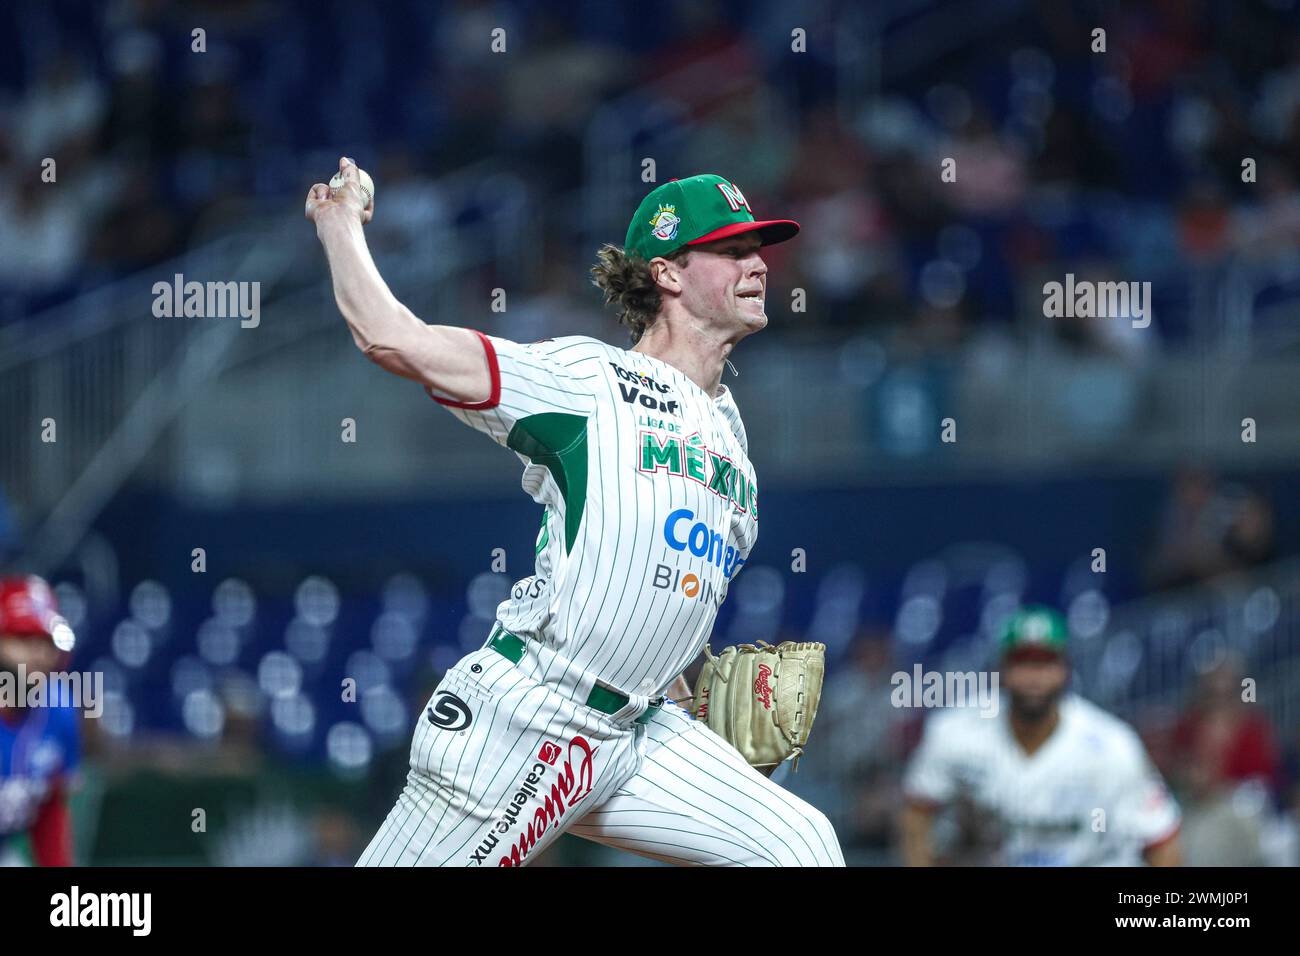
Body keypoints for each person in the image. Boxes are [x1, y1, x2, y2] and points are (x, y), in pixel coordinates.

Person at [306, 160, 843, 866]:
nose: (758, 265)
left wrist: (690, 703)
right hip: (529, 718)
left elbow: (660, 590)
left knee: (802, 846)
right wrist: (339, 221)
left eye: (758, 249)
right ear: (669, 274)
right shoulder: (591, 381)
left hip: (637, 734)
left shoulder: (730, 432)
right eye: (733, 250)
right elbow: (389, 336)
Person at [899, 606, 1181, 866]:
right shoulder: (957, 732)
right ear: (1002, 669)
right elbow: (916, 813)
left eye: (1045, 663)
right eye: (1023, 663)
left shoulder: (1112, 746)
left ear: (1065, 670)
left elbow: (1162, 840)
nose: (1034, 677)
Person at [0, 575, 80, 866]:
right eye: (23, 638)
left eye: (47, 642)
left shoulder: (58, 709)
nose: (40, 653)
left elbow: (50, 810)